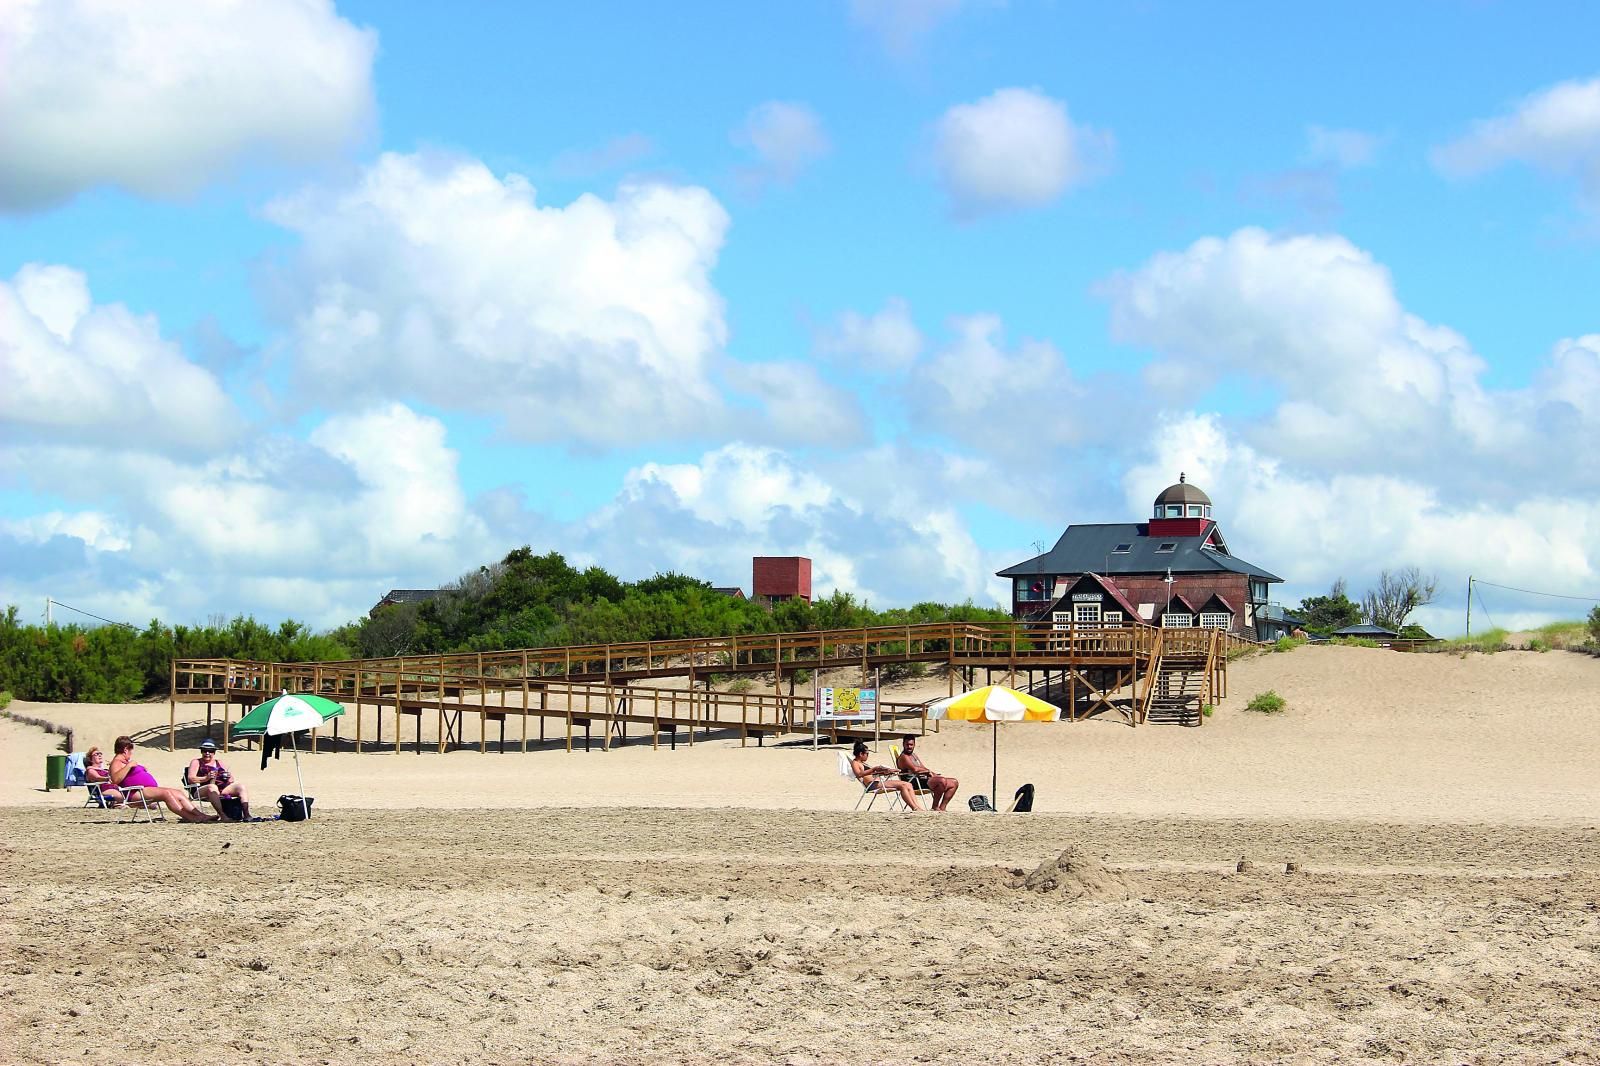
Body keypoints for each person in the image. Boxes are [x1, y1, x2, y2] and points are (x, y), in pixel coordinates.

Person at [109, 736, 216, 822]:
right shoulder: (117, 762)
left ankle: (200, 815)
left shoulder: (125, 762)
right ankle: (192, 817)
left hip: (145, 790)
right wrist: (130, 766)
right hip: (135, 793)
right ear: (125, 749)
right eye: (131, 750)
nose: (131, 753)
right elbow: (115, 779)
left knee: (177, 792)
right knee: (167, 793)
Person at [849, 740, 923, 811]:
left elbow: (872, 773)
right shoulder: (855, 763)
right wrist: (874, 769)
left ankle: (918, 807)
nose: (868, 756)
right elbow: (858, 774)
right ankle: (914, 808)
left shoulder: (862, 763)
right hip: (872, 785)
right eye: (867, 754)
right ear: (861, 754)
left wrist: (887, 771)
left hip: (878, 782)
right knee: (903, 785)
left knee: (908, 784)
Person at [187, 738, 250, 821]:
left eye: (210, 751)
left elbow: (231, 780)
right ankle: (223, 815)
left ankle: (246, 814)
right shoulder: (196, 762)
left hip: (221, 788)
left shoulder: (219, 762)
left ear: (214, 752)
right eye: (204, 751)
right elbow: (191, 779)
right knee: (212, 787)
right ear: (201, 751)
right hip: (201, 790)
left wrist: (227, 776)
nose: (207, 753)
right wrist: (206, 778)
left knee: (241, 786)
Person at [896, 734, 960, 812]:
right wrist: (928, 772)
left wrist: (933, 773)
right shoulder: (904, 757)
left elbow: (922, 767)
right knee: (941, 781)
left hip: (922, 779)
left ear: (914, 745)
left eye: (911, 745)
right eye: (907, 744)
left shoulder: (913, 755)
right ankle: (935, 807)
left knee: (954, 782)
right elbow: (915, 769)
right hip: (913, 782)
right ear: (903, 744)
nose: (909, 747)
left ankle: (942, 808)